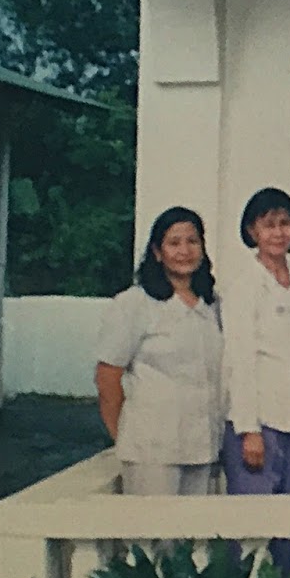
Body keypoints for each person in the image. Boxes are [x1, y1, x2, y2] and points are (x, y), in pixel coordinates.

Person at [219, 188, 290, 571]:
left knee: (289, 530)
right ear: (252, 230)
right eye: (269, 225)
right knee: (252, 531)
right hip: (260, 423)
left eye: (285, 223)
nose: (278, 233)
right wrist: (248, 429)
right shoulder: (244, 284)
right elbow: (239, 358)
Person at [95, 206, 223, 496]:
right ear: (157, 252)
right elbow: (107, 377)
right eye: (174, 243)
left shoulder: (212, 304)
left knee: (196, 537)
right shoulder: (134, 304)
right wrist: (126, 437)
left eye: (192, 241)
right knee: (155, 538)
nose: (184, 251)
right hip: (152, 450)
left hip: (202, 446)